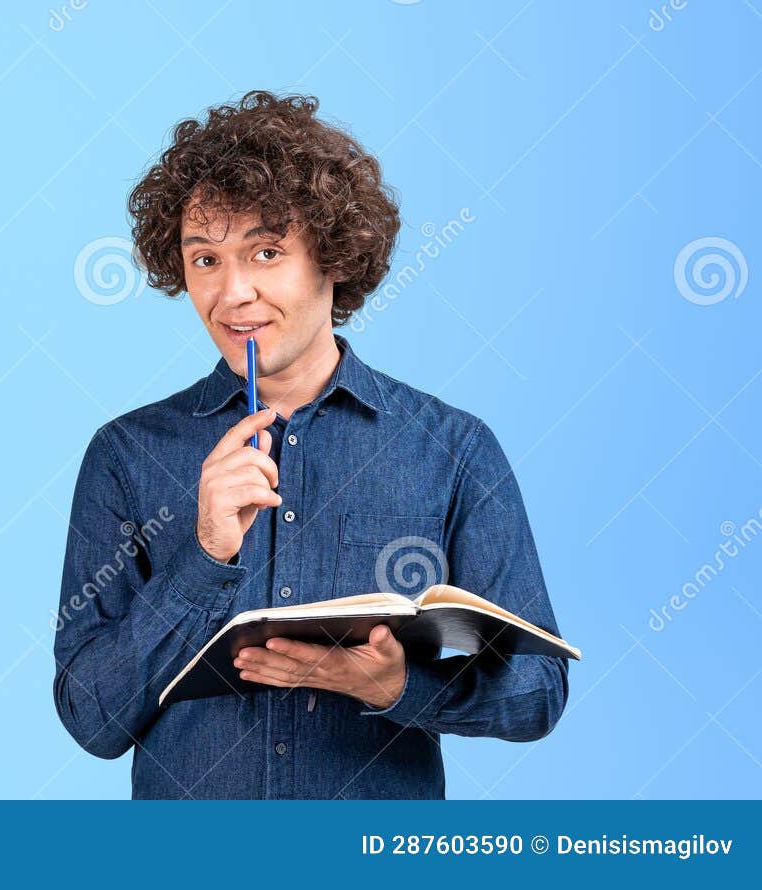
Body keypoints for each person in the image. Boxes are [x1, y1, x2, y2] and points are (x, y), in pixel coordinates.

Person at [51, 91, 568, 799]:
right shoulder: (126, 453)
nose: (233, 294)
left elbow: (539, 691)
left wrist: (398, 686)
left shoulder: (454, 450)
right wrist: (202, 557)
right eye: (204, 259)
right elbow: (91, 719)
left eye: (266, 252)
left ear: (334, 256)